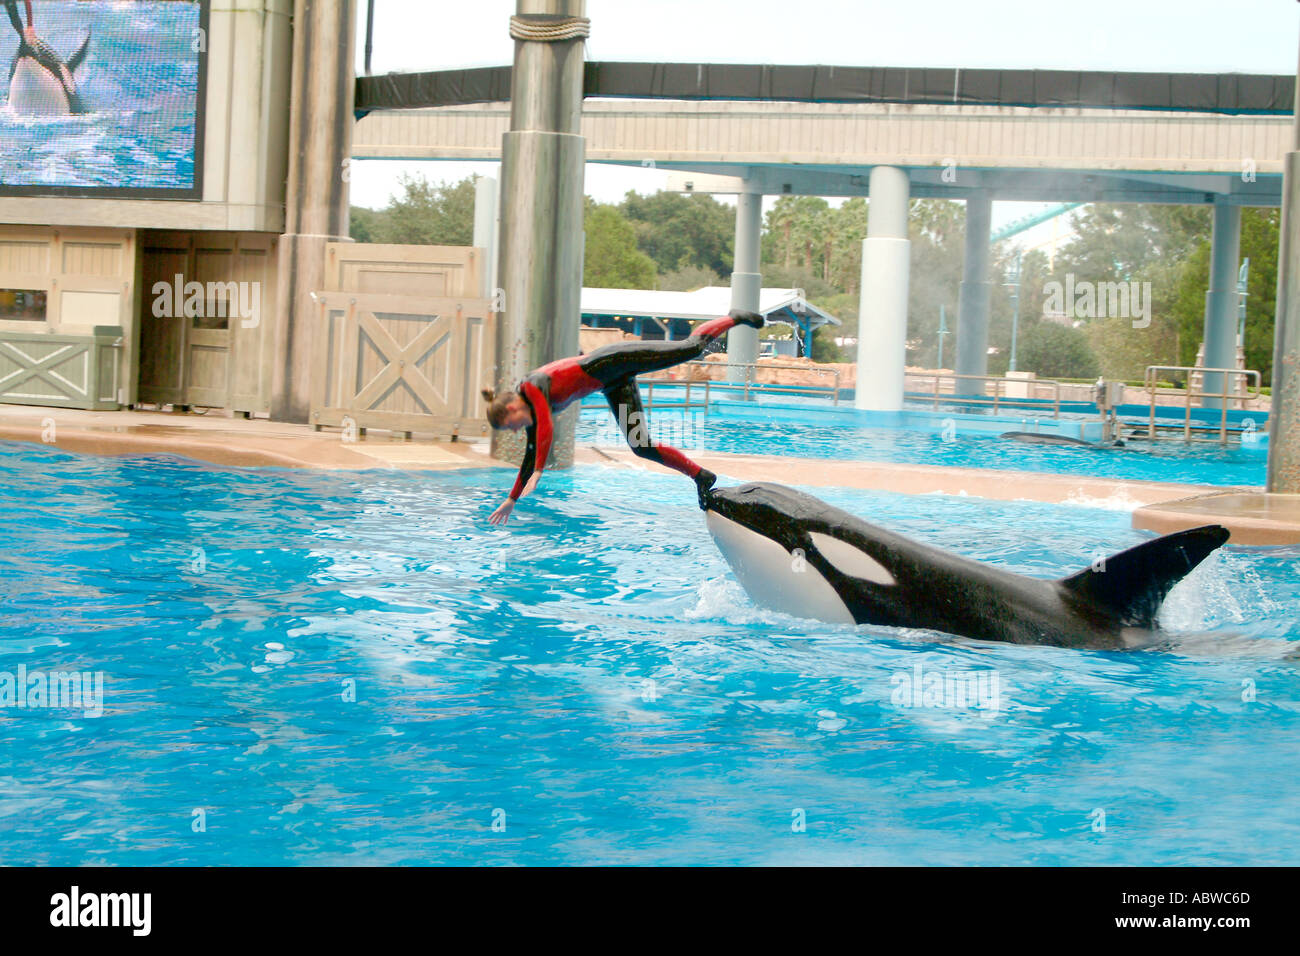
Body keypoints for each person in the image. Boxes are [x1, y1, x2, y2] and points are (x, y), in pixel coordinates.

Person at [484, 309, 766, 524]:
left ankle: (733, 318)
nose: (514, 431)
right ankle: (701, 476)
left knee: (689, 348)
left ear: (511, 409)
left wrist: (539, 471)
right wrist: (512, 499)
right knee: (641, 445)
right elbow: (530, 454)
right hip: (613, 384)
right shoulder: (532, 410)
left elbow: (547, 427)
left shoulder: (532, 387)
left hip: (613, 360)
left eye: (510, 426)